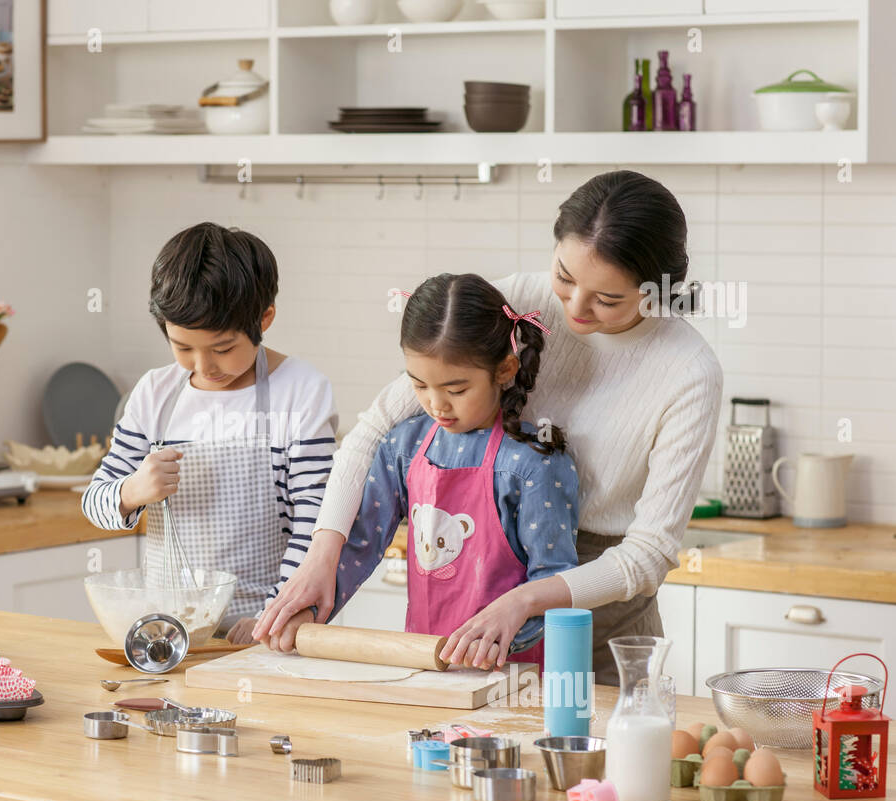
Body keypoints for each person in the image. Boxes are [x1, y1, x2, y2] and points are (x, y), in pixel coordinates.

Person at [256, 170, 723, 683]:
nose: (574, 308)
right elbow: (372, 432)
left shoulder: (688, 372)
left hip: (597, 615)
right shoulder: (518, 301)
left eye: (607, 300)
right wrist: (322, 556)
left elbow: (647, 555)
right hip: (474, 599)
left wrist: (522, 601)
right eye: (564, 277)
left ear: (658, 288)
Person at [281, 273, 579, 669]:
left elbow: (555, 578)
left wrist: (502, 640)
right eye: (419, 386)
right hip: (424, 665)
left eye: (456, 390)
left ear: (505, 369)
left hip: (513, 673)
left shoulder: (534, 462)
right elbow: (361, 543)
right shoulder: (401, 447)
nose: (437, 405)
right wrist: (309, 612)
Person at [82, 222, 338, 643]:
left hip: (271, 628)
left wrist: (275, 613)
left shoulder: (301, 390)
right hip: (170, 631)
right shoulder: (155, 394)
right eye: (183, 348)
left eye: (222, 349)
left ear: (264, 318)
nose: (204, 367)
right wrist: (133, 490)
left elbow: (316, 518)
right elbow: (95, 502)